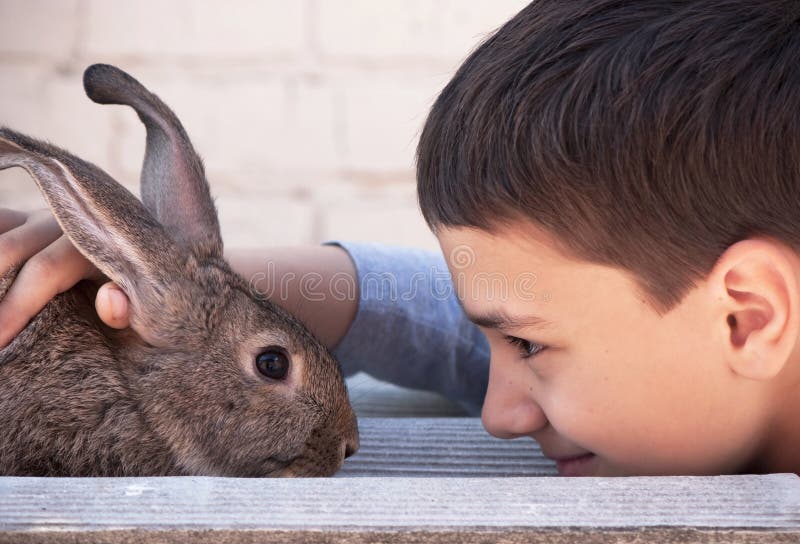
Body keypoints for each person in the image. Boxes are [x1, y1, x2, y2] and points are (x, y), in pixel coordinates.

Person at [1, 0, 799, 477]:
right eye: (490, 341)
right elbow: (416, 305)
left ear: (749, 318)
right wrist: (191, 292)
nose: (497, 414)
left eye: (526, 345)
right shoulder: (688, 363)